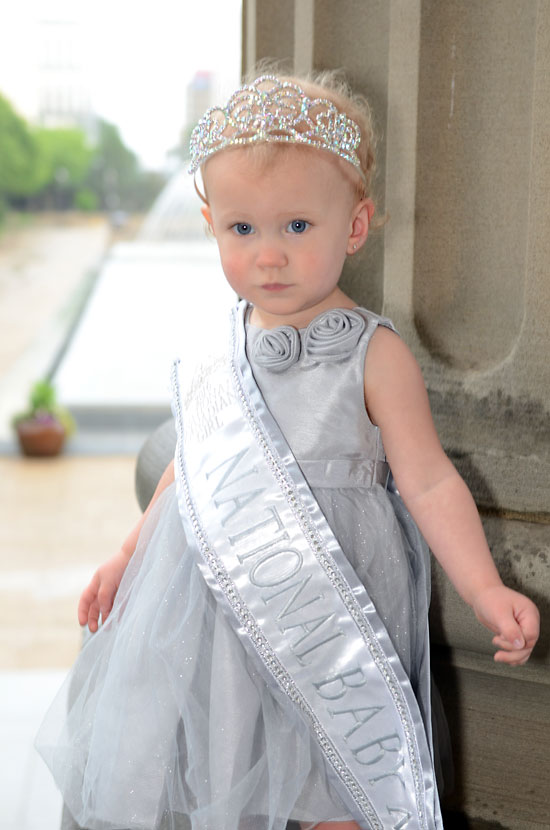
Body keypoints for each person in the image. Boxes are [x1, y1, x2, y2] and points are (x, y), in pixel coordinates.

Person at [36, 73, 539, 830]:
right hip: (220, 605)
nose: (268, 255)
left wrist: (482, 588)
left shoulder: (374, 353)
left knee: (336, 786)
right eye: (242, 230)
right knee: (226, 766)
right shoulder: (221, 349)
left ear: (356, 225)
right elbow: (194, 469)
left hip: (336, 598)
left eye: (297, 226)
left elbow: (429, 482)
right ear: (212, 225)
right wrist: (127, 553)